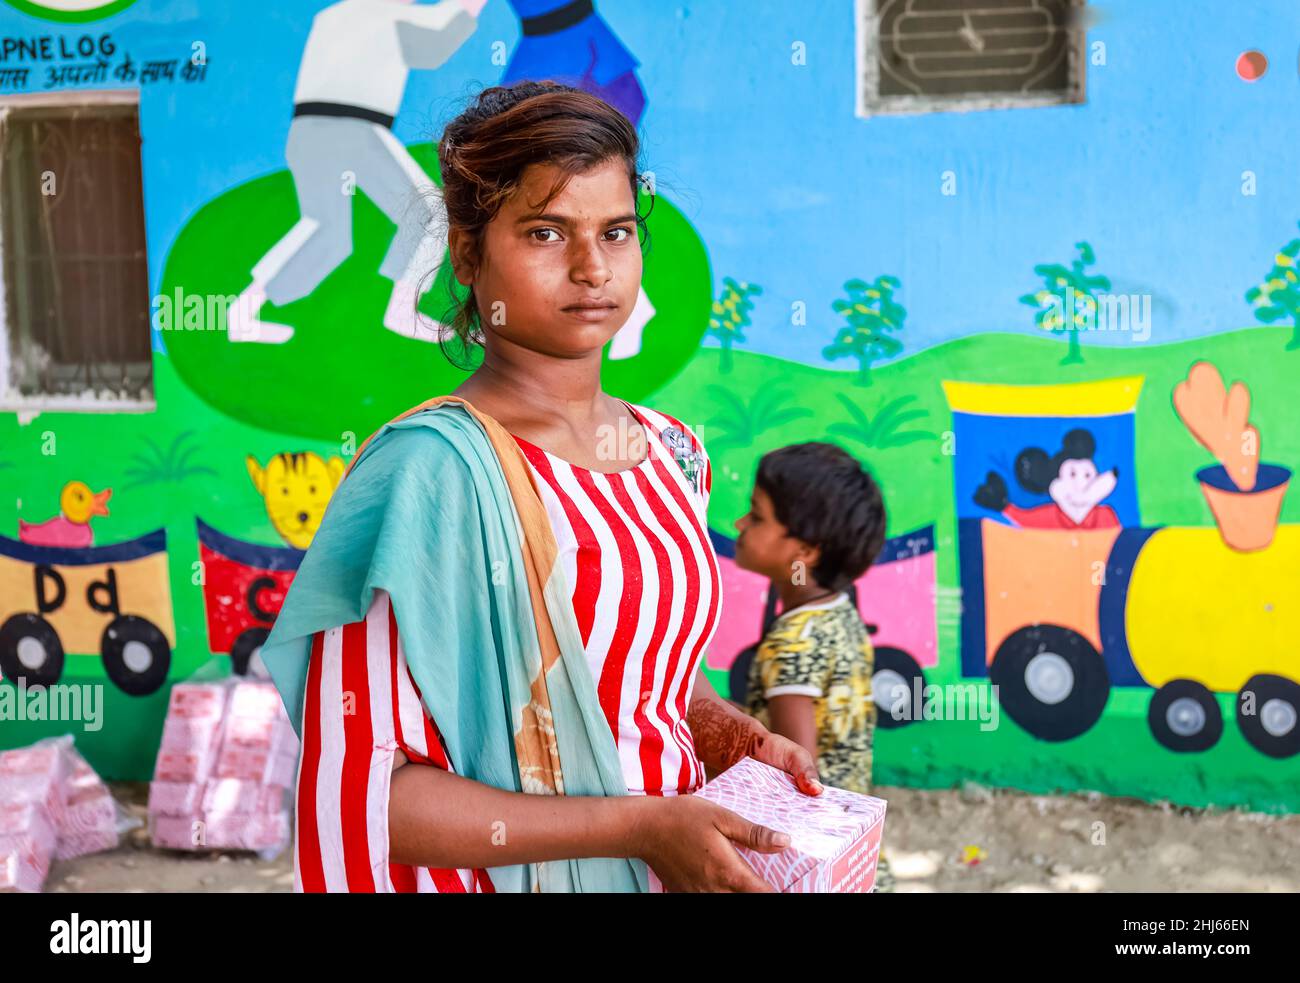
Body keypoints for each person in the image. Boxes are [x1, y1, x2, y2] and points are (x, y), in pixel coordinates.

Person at [261, 80, 823, 893]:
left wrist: (733, 734)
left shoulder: (671, 452)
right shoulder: (431, 474)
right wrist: (641, 823)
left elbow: (638, 674)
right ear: (466, 253)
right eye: (546, 231)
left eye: (617, 232)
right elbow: (369, 797)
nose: (592, 267)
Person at [226, 0, 486, 345]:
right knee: (428, 214)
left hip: (308, 130)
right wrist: (469, 7)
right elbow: (433, 48)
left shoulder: (334, 15)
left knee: (324, 230)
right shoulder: (389, 13)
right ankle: (402, 309)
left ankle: (244, 311)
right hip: (355, 129)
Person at [732, 442, 897, 892]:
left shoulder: (793, 641)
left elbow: (799, 774)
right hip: (859, 854)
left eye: (757, 516)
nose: (739, 525)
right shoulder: (840, 613)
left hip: (814, 866)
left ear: (804, 550)